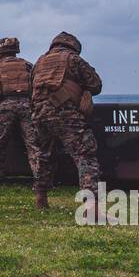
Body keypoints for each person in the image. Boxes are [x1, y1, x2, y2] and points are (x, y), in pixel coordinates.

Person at [31, 32, 102, 212]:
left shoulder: (40, 62)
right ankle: (91, 208)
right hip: (64, 113)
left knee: (43, 156)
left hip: (39, 113)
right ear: (74, 46)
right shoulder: (73, 59)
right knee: (85, 154)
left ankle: (41, 199)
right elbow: (96, 84)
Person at [0, 37, 43, 190]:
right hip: (27, 106)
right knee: (33, 145)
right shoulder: (27, 65)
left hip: (6, 107)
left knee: (0, 145)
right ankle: (40, 181)